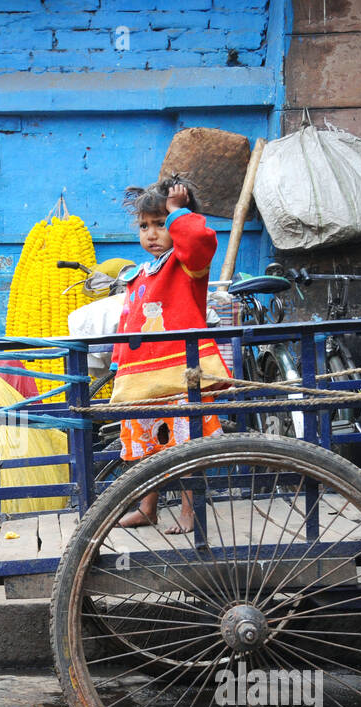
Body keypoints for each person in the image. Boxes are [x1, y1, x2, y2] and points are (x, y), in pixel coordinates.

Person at [108, 175, 229, 530]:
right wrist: (119, 362)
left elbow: (199, 240)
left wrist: (178, 213)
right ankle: (148, 507)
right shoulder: (139, 274)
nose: (151, 233)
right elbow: (128, 321)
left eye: (160, 224)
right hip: (142, 379)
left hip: (181, 374)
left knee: (186, 444)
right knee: (147, 446)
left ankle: (190, 510)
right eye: (145, 226)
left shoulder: (187, 263)